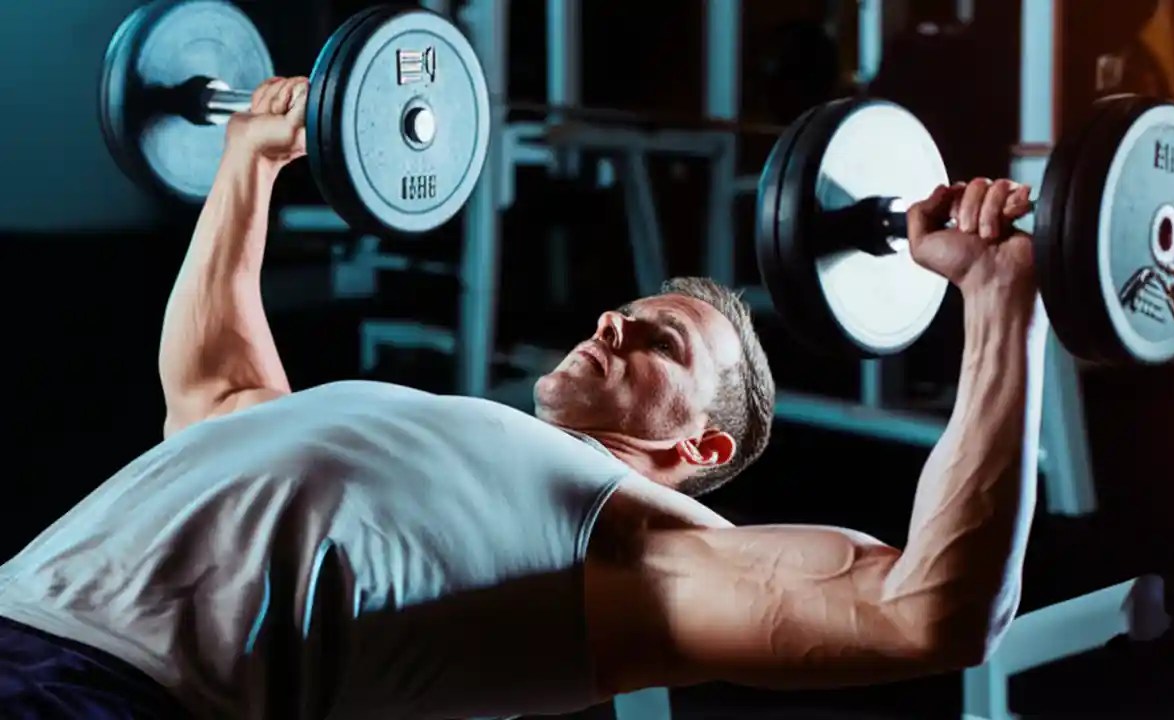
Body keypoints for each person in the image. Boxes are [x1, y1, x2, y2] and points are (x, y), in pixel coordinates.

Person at [0, 77, 1038, 719]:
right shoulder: (452, 444)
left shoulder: (645, 542)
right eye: (619, 313)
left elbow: (917, 615)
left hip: (106, 695)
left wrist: (997, 301)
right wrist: (247, 165)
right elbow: (216, 393)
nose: (609, 325)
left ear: (701, 450)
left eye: (659, 338)